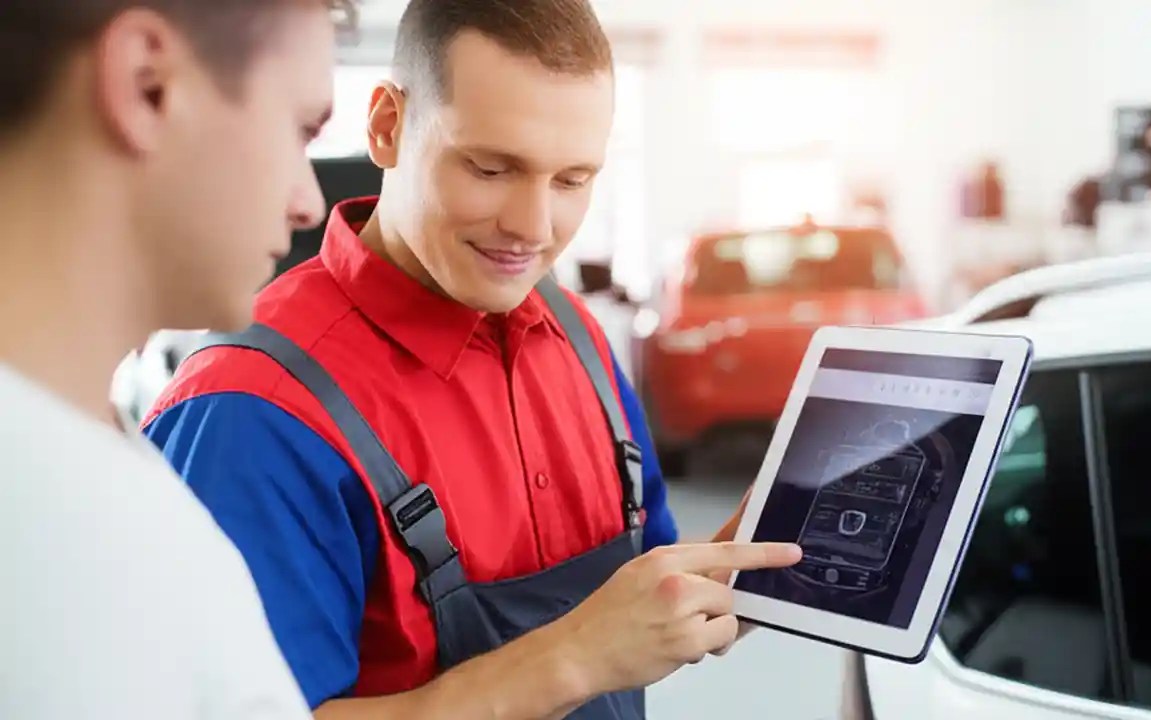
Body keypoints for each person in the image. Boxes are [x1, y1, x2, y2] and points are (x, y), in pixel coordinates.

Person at [142, 0, 800, 718]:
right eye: (492, 168)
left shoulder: (576, 339)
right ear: (388, 127)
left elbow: (640, 601)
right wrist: (571, 656)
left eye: (573, 180)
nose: (533, 226)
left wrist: (736, 575)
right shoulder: (250, 412)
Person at [0, 0, 351, 717]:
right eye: (299, 130)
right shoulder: (47, 540)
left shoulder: (96, 470)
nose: (310, 203)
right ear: (146, 84)